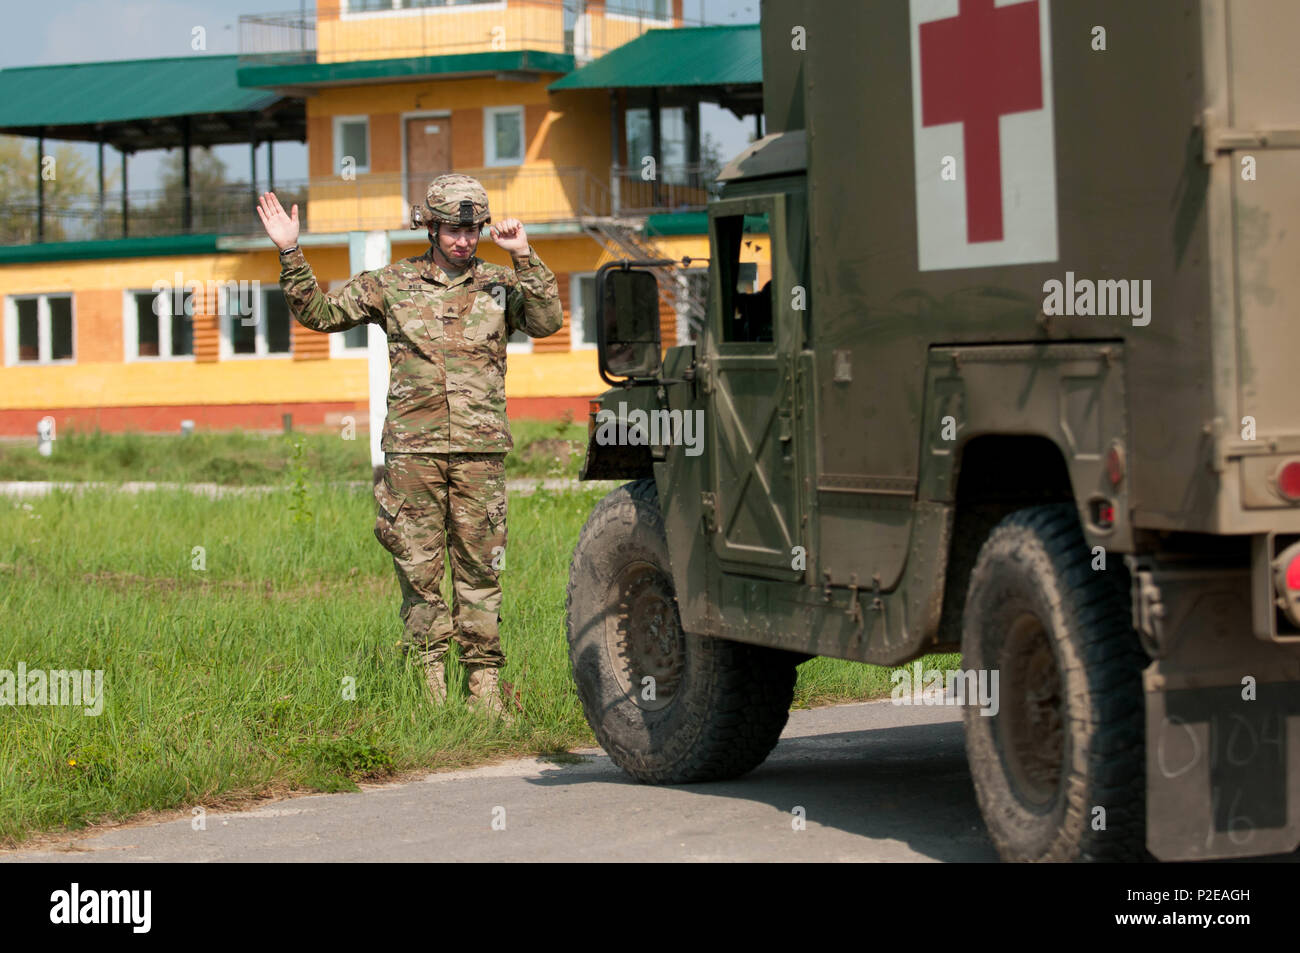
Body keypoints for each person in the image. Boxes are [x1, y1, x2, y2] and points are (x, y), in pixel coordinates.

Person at [256, 174, 563, 719]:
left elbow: (546, 322)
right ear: (430, 226)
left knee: (481, 570)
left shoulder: (499, 283)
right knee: (419, 570)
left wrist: (523, 255)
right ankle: (429, 687)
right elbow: (320, 314)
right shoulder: (391, 284)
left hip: (479, 453)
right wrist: (290, 250)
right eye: (453, 229)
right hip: (412, 454)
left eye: (473, 229)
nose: (464, 240)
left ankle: (485, 689)